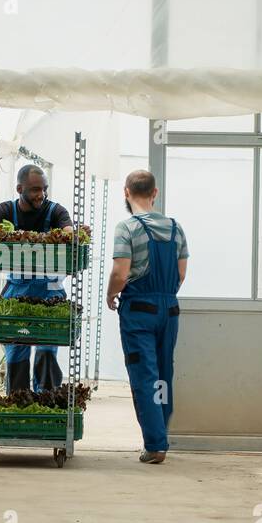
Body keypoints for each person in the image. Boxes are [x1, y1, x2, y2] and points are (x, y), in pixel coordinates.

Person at [106, 169, 188, 465]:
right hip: (169, 310)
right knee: (164, 374)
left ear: (126, 193)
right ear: (155, 193)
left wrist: (110, 294)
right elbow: (180, 273)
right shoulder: (176, 228)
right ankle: (160, 436)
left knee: (145, 375)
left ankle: (155, 445)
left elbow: (120, 272)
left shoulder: (127, 229)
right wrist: (164, 295)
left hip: (139, 310)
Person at [0, 164, 73, 393]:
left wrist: (61, 236)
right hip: (17, 291)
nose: (42, 195)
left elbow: (69, 233)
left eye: (44, 189)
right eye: (36, 189)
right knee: (17, 348)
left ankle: (45, 403)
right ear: (19, 188)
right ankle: (19, 404)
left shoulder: (56, 211)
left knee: (48, 349)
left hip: (50, 292)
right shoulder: (5, 211)